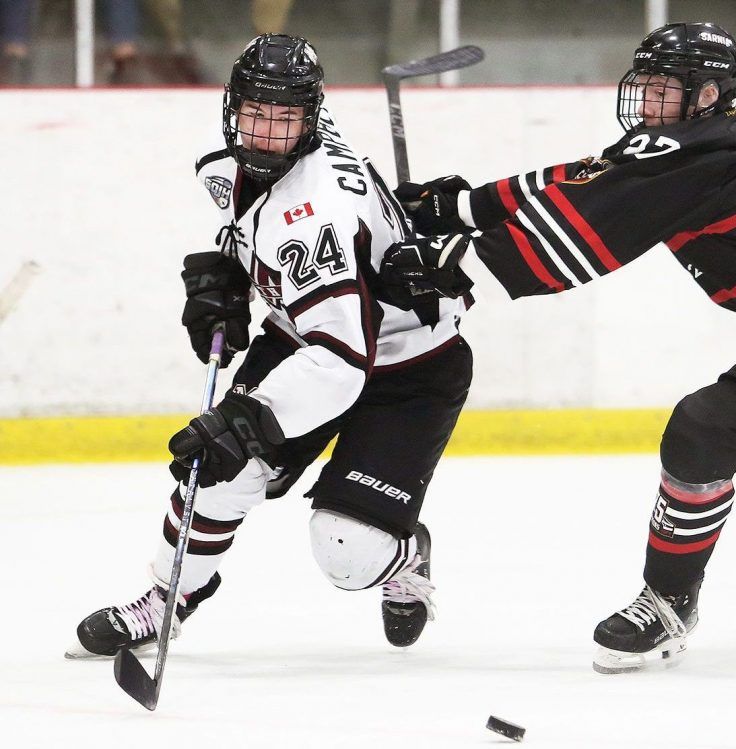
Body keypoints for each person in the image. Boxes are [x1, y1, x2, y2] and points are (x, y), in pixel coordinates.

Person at [380, 22, 736, 673]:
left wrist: (454, 260)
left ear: (706, 96)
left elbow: (575, 235)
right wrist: (462, 207)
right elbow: (586, 178)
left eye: (662, 89)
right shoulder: (692, 147)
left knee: (707, 424)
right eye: (642, 85)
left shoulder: (696, 159)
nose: (645, 100)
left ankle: (669, 602)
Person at [66, 33, 472, 659]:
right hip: (304, 338)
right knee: (217, 472)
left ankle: (401, 554)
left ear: (309, 123)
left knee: (347, 551)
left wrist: (247, 417)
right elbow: (262, 225)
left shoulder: (313, 213)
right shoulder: (254, 152)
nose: (266, 133)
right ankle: (167, 599)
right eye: (254, 114)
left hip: (407, 366)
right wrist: (230, 270)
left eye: (285, 121)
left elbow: (340, 362)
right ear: (233, 106)